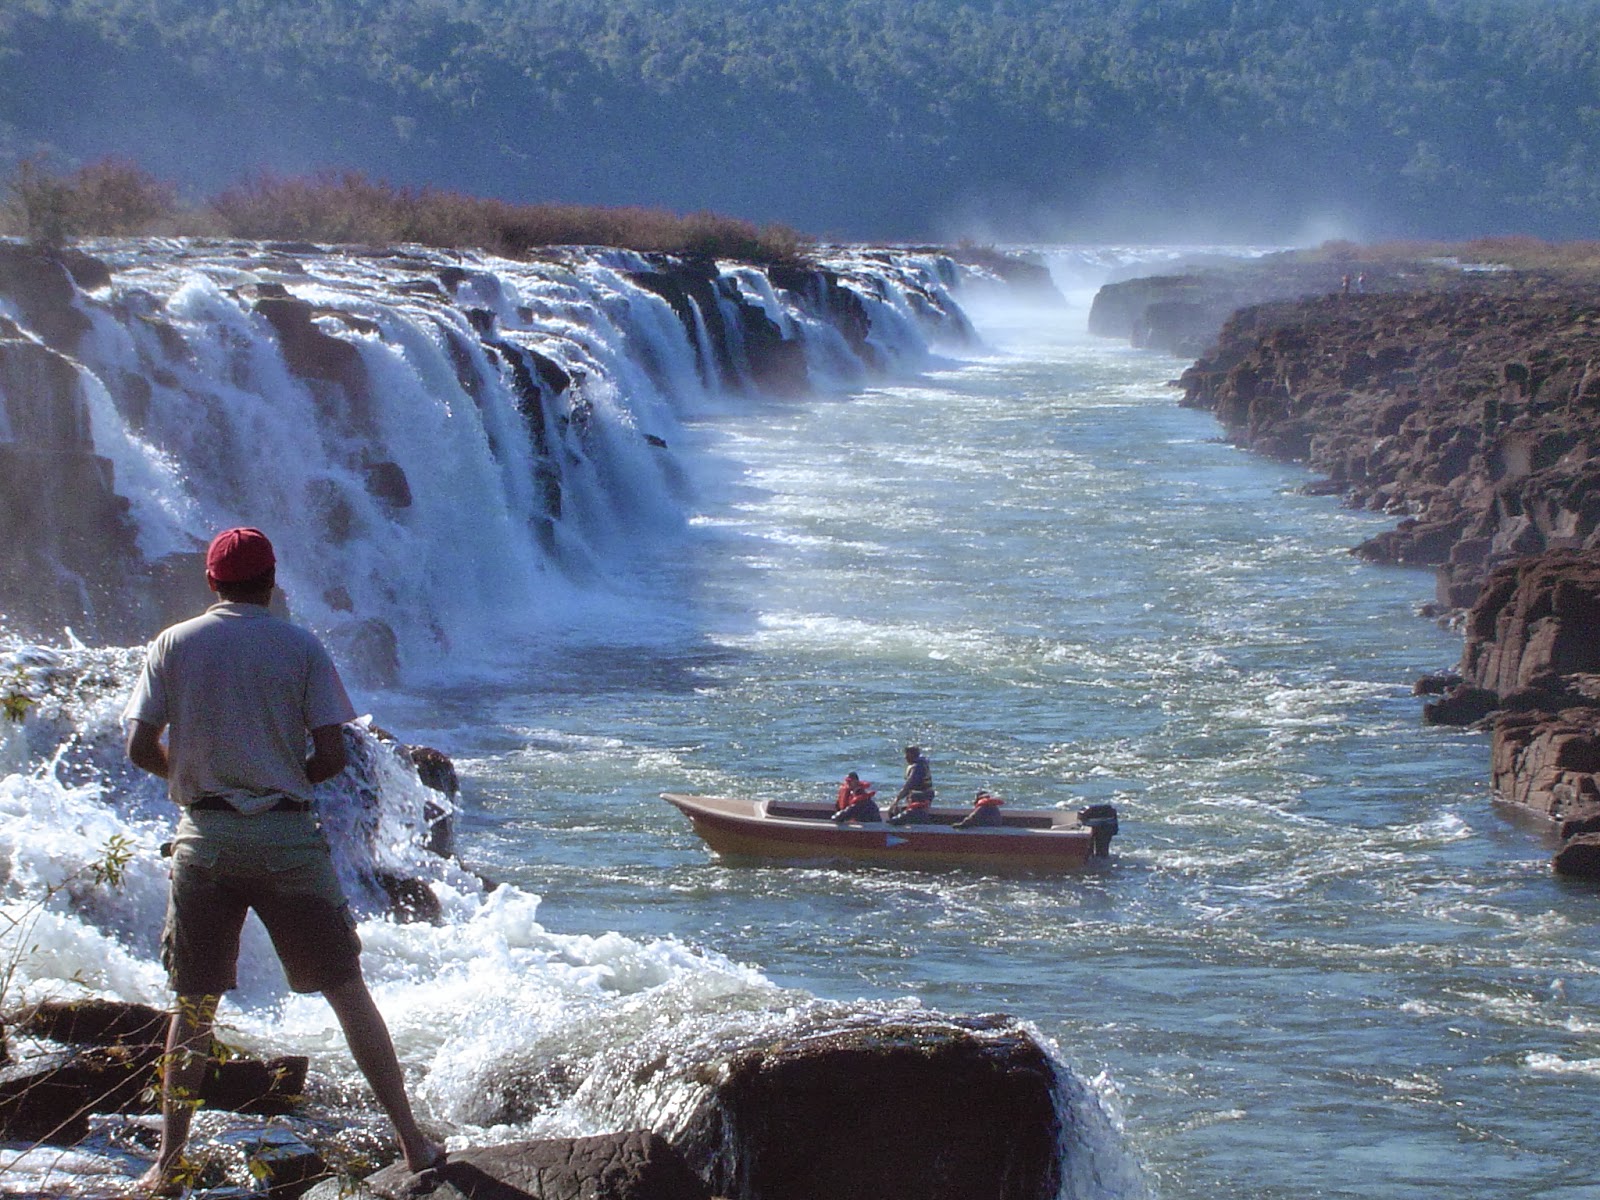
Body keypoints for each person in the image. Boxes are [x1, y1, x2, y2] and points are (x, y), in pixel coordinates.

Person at [123, 528, 443, 1194]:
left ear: (211, 582)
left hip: (205, 838)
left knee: (194, 1005)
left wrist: (191, 779)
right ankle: (412, 1143)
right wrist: (282, 776)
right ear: (270, 583)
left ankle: (167, 1163)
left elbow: (139, 745)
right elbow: (332, 754)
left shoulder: (173, 644)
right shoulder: (299, 645)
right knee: (348, 993)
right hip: (287, 837)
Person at [888, 745, 935, 825]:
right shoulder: (923, 764)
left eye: (907, 755)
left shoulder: (917, 768)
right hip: (926, 796)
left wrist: (896, 800)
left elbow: (909, 785)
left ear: (912, 755)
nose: (905, 757)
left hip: (920, 798)